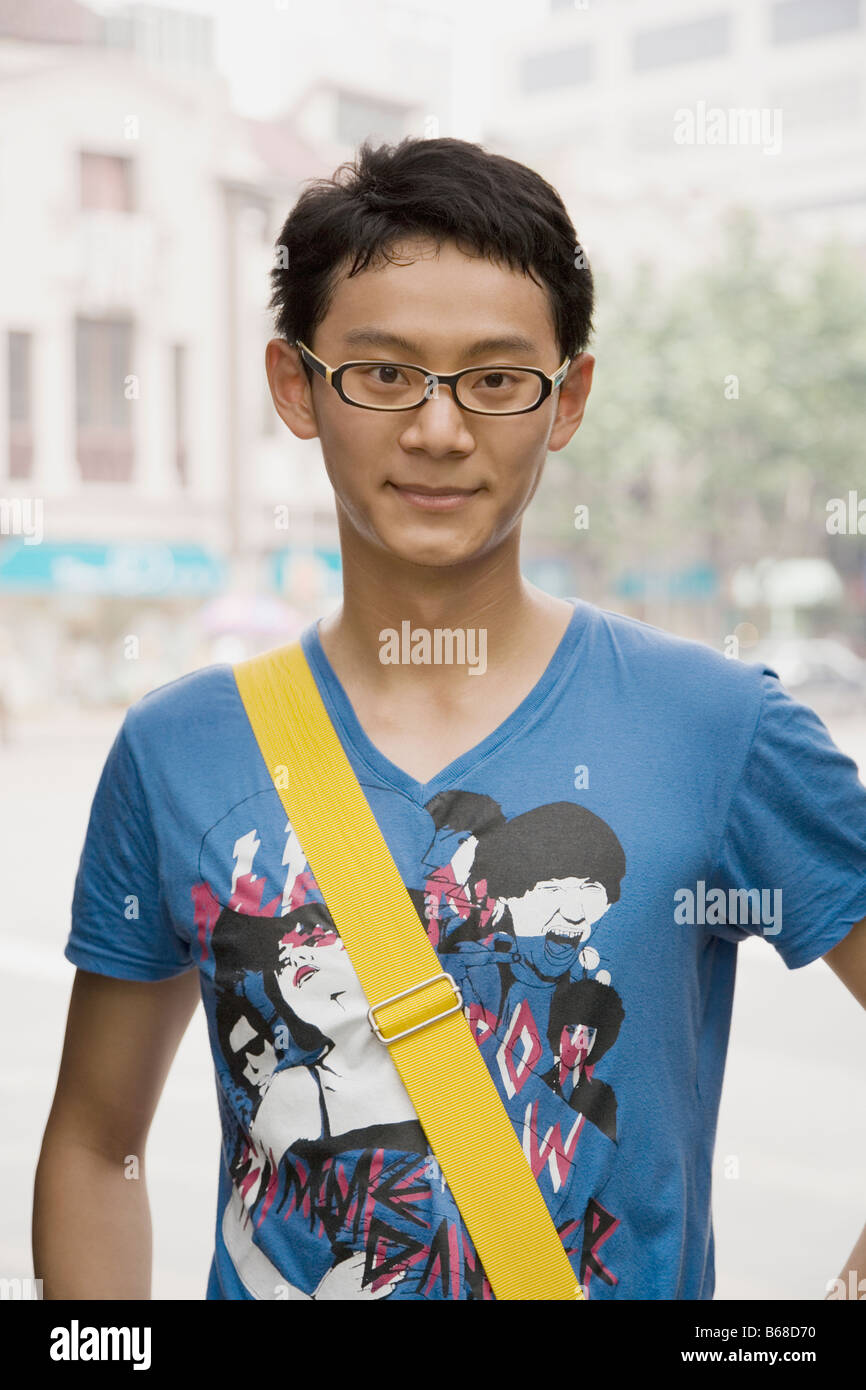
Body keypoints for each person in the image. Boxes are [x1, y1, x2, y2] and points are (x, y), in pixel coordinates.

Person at [33, 135, 866, 1302]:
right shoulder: (177, 748)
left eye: (494, 377)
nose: (437, 429)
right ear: (295, 386)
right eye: (381, 373)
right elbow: (94, 1140)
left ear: (565, 397)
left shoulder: (716, 728)